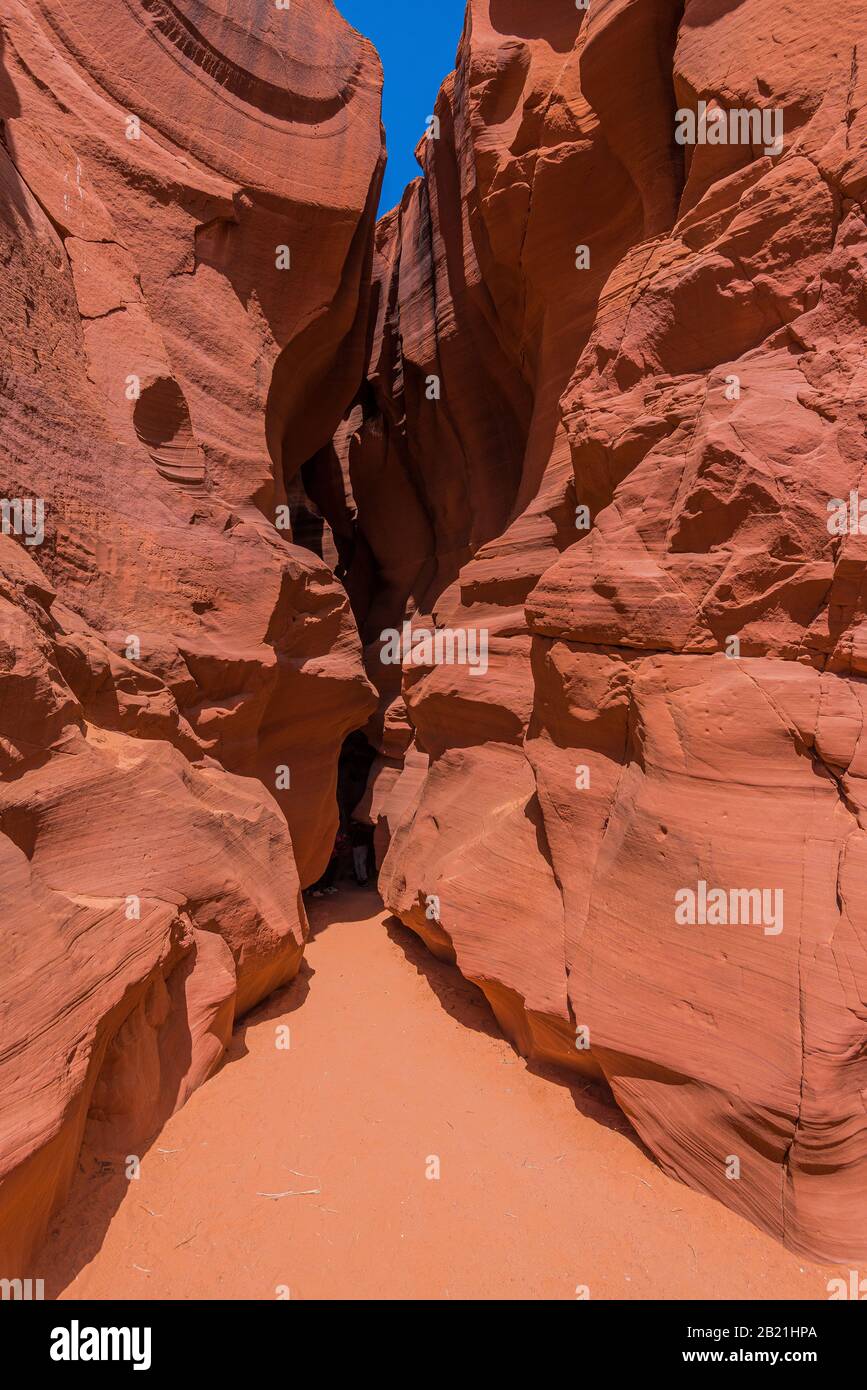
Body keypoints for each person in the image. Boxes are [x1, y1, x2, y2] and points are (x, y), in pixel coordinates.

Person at [349, 819, 372, 885]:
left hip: (358, 847)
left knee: (359, 863)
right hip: (360, 846)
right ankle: (362, 879)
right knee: (360, 863)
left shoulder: (356, 830)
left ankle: (361, 878)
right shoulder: (362, 829)